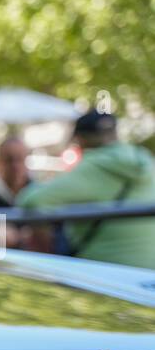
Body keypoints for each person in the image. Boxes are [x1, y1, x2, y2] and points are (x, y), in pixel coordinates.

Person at [17, 110, 155, 268]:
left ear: (80, 140)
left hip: (102, 274)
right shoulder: (144, 159)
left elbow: (32, 201)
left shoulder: (96, 165)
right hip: (147, 275)